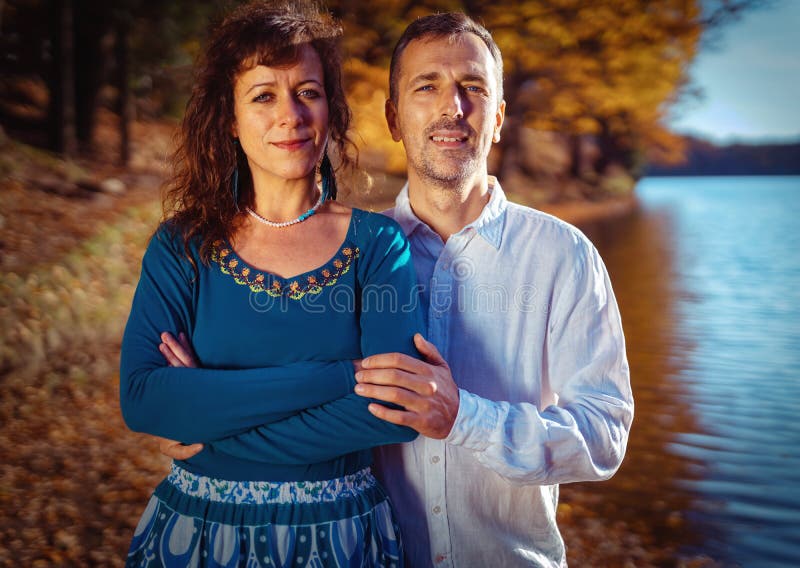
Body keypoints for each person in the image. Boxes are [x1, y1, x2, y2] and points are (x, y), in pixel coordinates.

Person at [160, 11, 634, 568]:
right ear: (392, 116)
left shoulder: (563, 255)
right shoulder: (346, 254)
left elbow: (604, 435)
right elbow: (285, 386)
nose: (450, 108)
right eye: (426, 86)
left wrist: (466, 418)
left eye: (472, 88)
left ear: (499, 117)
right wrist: (198, 416)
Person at [119, 2, 424, 566]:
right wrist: (339, 376)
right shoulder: (183, 245)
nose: (291, 114)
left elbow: (394, 412)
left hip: (344, 537)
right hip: (199, 533)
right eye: (263, 95)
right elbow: (143, 400)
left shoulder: (378, 246)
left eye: (308, 91)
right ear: (230, 119)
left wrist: (207, 415)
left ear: (330, 110)